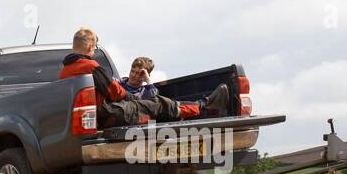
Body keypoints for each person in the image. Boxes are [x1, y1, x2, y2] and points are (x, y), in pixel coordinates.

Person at [58, 29, 227, 127]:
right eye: (94, 48)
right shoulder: (91, 66)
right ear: (88, 46)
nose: (94, 51)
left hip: (94, 117)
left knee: (155, 107)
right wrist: (132, 98)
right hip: (106, 114)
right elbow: (115, 93)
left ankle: (200, 105)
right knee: (159, 103)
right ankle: (205, 105)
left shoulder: (64, 71)